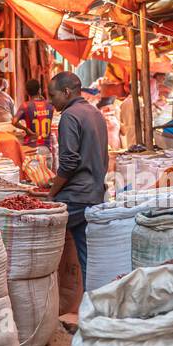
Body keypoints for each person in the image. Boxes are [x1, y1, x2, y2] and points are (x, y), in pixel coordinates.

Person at [47, 71, 107, 276]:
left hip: (77, 195)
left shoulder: (70, 116)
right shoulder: (94, 112)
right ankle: (89, 298)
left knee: (34, 227)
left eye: (52, 96)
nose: (50, 101)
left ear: (66, 92)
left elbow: (69, 163)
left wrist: (52, 193)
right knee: (86, 255)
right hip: (95, 192)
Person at [12, 78, 55, 149]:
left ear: (26, 92)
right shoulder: (49, 105)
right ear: (39, 90)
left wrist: (25, 129)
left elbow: (14, 121)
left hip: (31, 147)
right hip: (47, 146)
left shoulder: (25, 106)